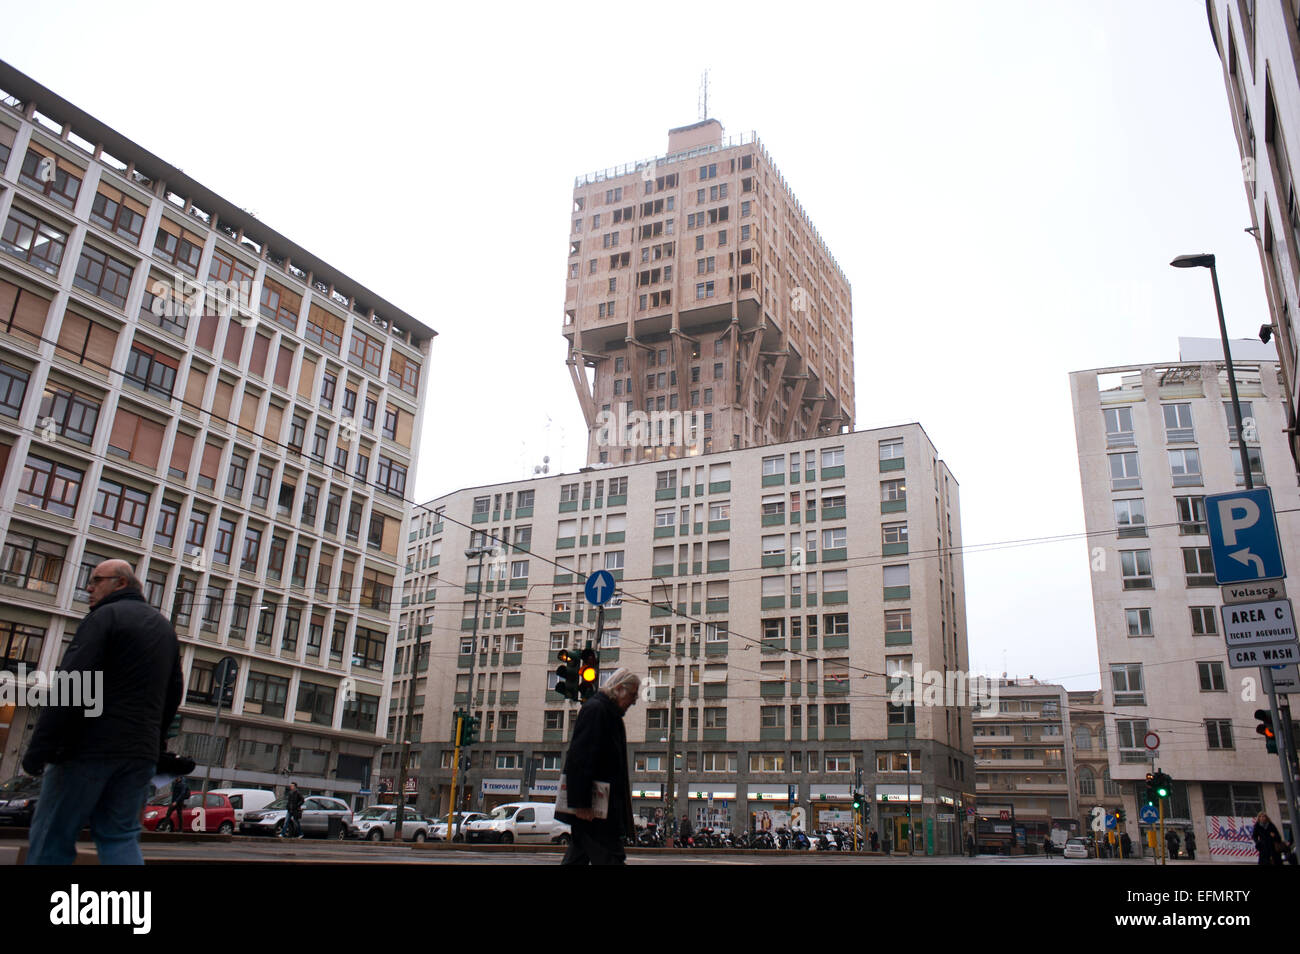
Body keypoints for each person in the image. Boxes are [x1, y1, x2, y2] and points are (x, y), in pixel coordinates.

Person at [23, 560, 183, 865]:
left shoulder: (104, 617)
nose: (88, 587)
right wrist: (155, 741)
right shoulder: (164, 627)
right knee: (120, 836)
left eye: (97, 580)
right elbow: (173, 693)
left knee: (52, 835)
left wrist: (40, 748)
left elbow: (73, 684)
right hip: (139, 755)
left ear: (121, 583)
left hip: (88, 748)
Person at [556, 668, 639, 865]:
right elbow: (580, 758)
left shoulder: (607, 713)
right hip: (594, 812)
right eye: (633, 695)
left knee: (579, 856)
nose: (634, 701)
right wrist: (581, 804)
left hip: (598, 810)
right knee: (611, 858)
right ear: (619, 689)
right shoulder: (598, 710)